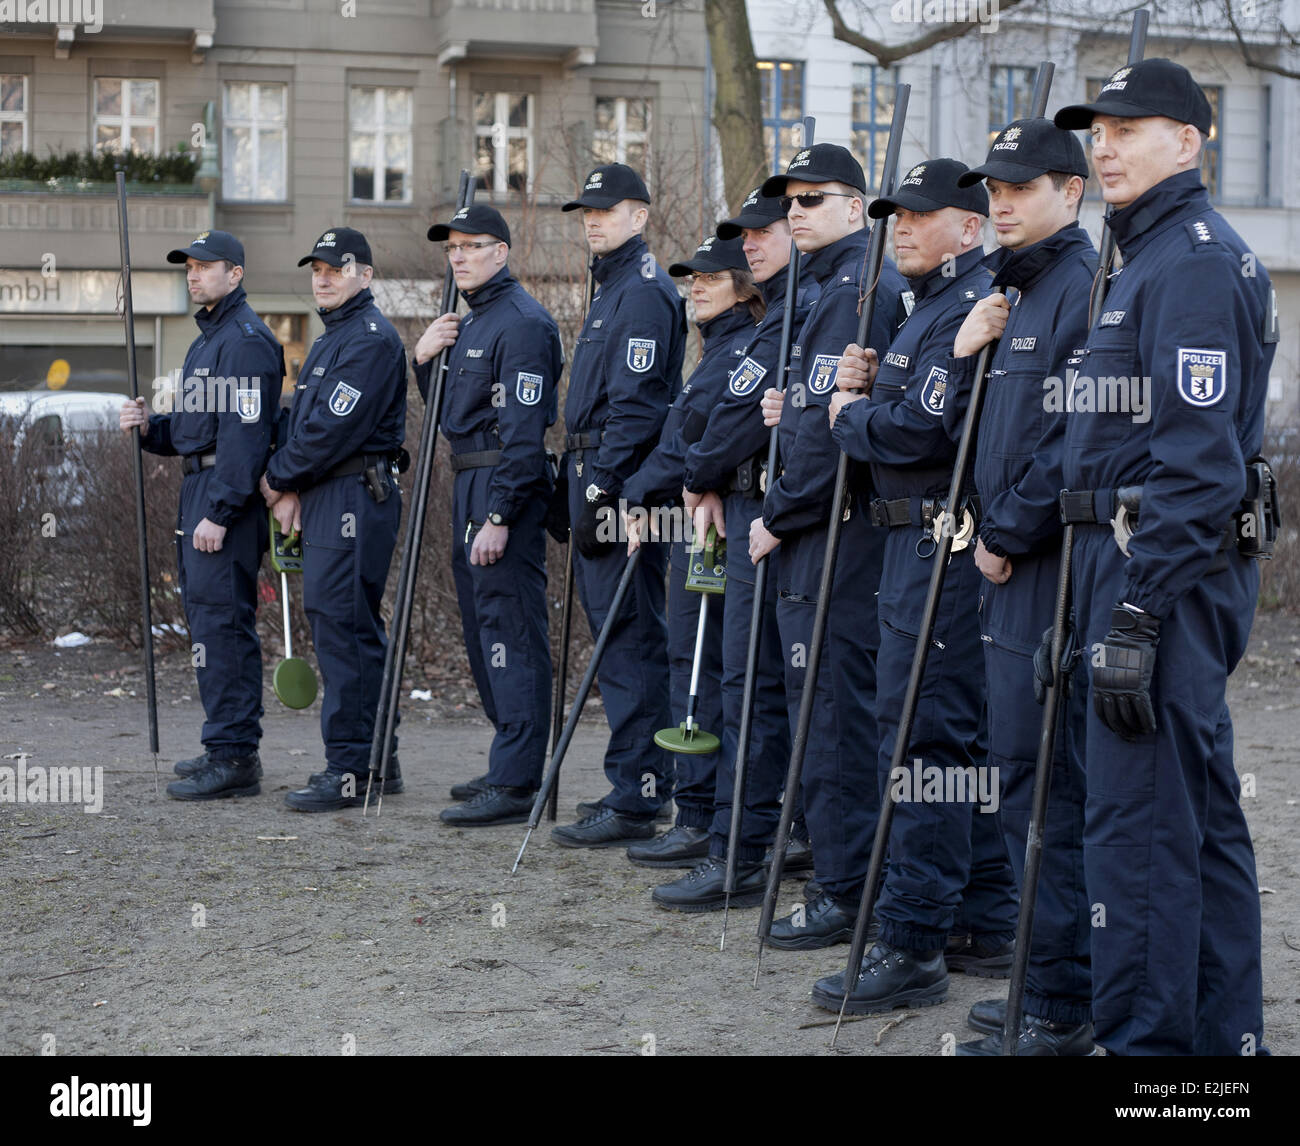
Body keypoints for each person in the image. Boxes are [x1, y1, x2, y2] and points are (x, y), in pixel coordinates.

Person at [1050, 59, 1275, 1056]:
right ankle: (1223, 1046)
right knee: (1197, 822)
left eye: (1129, 128)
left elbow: (1197, 466)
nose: (1104, 144)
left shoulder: (1184, 260)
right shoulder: (1141, 255)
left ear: (1187, 142)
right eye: (1097, 128)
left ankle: (1145, 1055)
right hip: (1147, 566)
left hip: (1161, 573)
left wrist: (1137, 610)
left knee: (1136, 830)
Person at [813, 158, 1018, 1014]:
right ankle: (984, 913)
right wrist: (866, 394)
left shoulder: (967, 305)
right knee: (948, 748)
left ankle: (911, 940)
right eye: (894, 214)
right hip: (908, 549)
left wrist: (848, 415)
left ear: (969, 228)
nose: (899, 225)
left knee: (924, 751)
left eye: (920, 215)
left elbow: (922, 432)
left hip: (935, 546)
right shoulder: (924, 306)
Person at [940, 121, 1099, 1055]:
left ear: (1070, 194)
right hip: (1006, 576)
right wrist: (967, 352)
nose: (1000, 201)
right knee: (1017, 781)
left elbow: (1073, 439)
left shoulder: (1080, 288)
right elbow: (973, 438)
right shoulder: (1012, 291)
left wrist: (1002, 534)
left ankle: (1061, 1001)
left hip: (1047, 573)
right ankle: (1043, 980)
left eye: (1022, 187)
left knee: (1047, 789)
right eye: (993, 188)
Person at [748, 144, 906, 948]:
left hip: (834, 534)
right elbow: (814, 415)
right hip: (821, 529)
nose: (797, 211)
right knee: (822, 714)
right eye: (792, 201)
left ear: (856, 207)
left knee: (835, 717)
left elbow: (827, 447)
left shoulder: (856, 289)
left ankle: (846, 892)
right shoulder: (825, 289)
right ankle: (844, 878)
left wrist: (776, 513)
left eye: (816, 198)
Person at [649, 189, 816, 908]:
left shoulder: (775, 326)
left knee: (757, 686)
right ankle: (734, 838)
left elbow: (727, 425)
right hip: (738, 503)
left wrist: (697, 476)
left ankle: (743, 847)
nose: (698, 289)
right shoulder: (770, 322)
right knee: (742, 682)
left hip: (767, 510)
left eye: (761, 234)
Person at [608, 232, 762, 901]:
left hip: (718, 526)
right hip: (692, 522)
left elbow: (693, 446)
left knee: (704, 667)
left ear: (744, 286)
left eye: (711, 277)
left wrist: (636, 492)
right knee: (687, 662)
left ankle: (704, 816)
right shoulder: (713, 353)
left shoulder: (738, 352)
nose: (696, 286)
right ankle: (695, 809)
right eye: (691, 278)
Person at [549, 163, 687, 848]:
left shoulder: (642, 293)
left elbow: (636, 408)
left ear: (640, 215)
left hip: (623, 487)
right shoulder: (608, 290)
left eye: (607, 210)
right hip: (595, 474)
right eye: (587, 213)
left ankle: (640, 794)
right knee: (616, 640)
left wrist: (603, 486)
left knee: (629, 641)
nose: (593, 221)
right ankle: (630, 782)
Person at [119, 229, 284, 801]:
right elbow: (193, 430)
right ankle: (223, 744)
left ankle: (237, 757)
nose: (193, 275)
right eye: (188, 267)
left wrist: (219, 511)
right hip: (202, 491)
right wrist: (149, 429)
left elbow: (244, 438)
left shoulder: (245, 341)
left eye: (205, 266)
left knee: (224, 625)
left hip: (223, 501)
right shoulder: (208, 341)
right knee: (207, 626)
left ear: (234, 274)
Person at [413, 204, 562, 827]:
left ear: (501, 252)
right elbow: (455, 418)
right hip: (469, 480)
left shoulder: (522, 323)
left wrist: (500, 513)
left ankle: (519, 778)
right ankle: (509, 756)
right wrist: (423, 359)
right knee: (483, 631)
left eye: (473, 247)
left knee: (511, 631)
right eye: (453, 249)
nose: (460, 257)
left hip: (504, 488)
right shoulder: (470, 323)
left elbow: (524, 435)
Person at [261, 227, 408, 812]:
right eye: (316, 269)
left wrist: (277, 479)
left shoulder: (369, 339)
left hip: (353, 495)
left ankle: (351, 770)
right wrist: (294, 485)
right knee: (349, 627)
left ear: (364, 275)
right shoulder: (334, 338)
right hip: (332, 493)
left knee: (343, 628)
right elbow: (306, 425)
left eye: (335, 269)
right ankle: (377, 761)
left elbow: (328, 431)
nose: (322, 277)